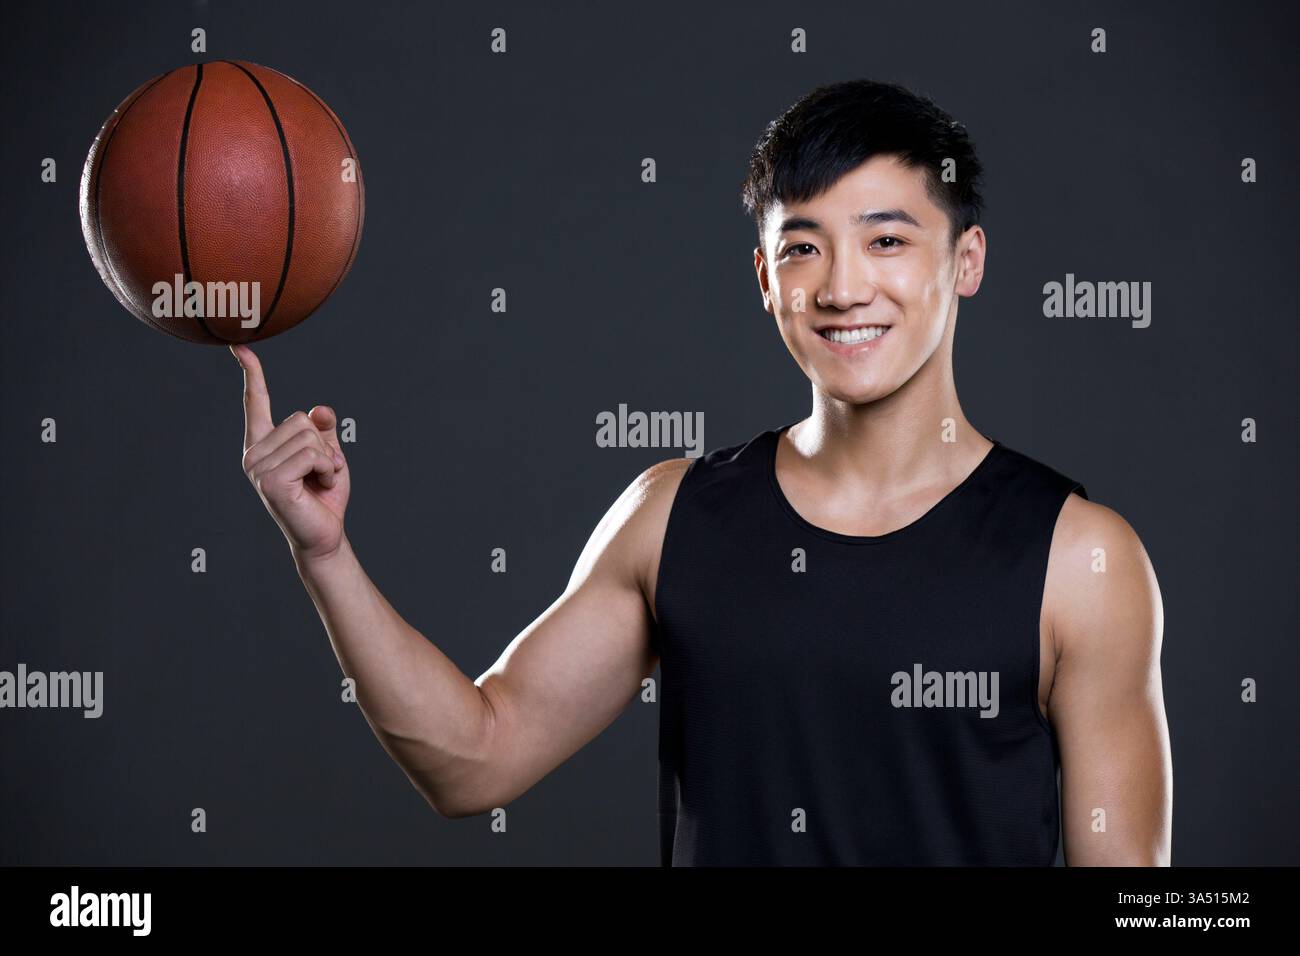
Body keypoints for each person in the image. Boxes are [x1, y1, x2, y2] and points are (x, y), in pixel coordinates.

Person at [230, 79, 1171, 866]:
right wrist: (327, 555)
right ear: (765, 279)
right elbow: (473, 760)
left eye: (887, 240)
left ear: (964, 261)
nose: (842, 288)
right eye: (802, 247)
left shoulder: (1079, 558)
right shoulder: (673, 514)